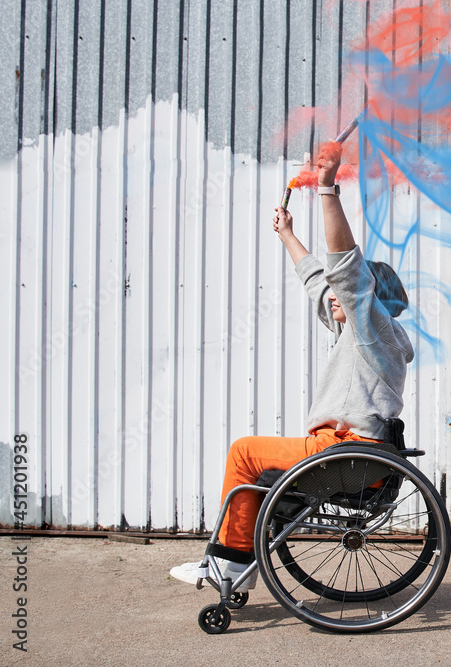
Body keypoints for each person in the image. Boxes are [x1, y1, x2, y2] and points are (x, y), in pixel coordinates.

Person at [170, 142, 413, 591]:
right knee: (258, 470)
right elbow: (322, 285)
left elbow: (344, 272)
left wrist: (326, 188)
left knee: (244, 452)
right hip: (343, 450)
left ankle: (228, 570)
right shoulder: (363, 335)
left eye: (353, 292)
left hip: (345, 453)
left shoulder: (375, 331)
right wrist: (287, 235)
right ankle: (238, 561)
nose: (337, 297)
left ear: (373, 301)